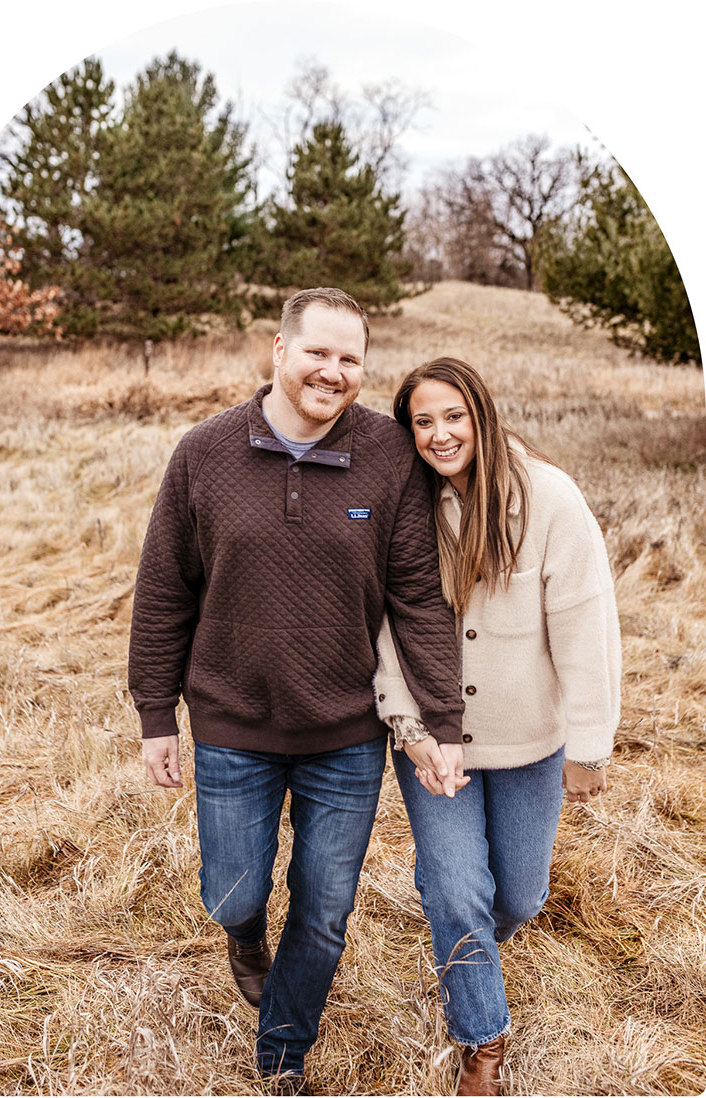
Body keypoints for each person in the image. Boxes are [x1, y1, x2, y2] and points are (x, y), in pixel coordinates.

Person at [128, 289, 463, 1095]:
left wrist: (445, 720)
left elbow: (417, 597)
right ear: (279, 350)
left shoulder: (388, 455)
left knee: (322, 910)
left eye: (351, 359)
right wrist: (154, 711)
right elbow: (165, 590)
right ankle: (243, 938)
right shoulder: (204, 453)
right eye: (318, 352)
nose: (334, 371)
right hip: (233, 722)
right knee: (232, 889)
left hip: (346, 734)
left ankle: (283, 1052)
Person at [374, 357, 621, 1096]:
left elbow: (586, 627)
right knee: (455, 887)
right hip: (433, 742)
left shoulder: (548, 498)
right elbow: (384, 623)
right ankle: (483, 1041)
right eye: (423, 421)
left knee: (517, 896)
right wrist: (409, 725)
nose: (440, 434)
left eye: (454, 416)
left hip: (530, 741)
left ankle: (471, 948)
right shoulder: (405, 504)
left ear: (481, 412)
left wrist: (590, 746)